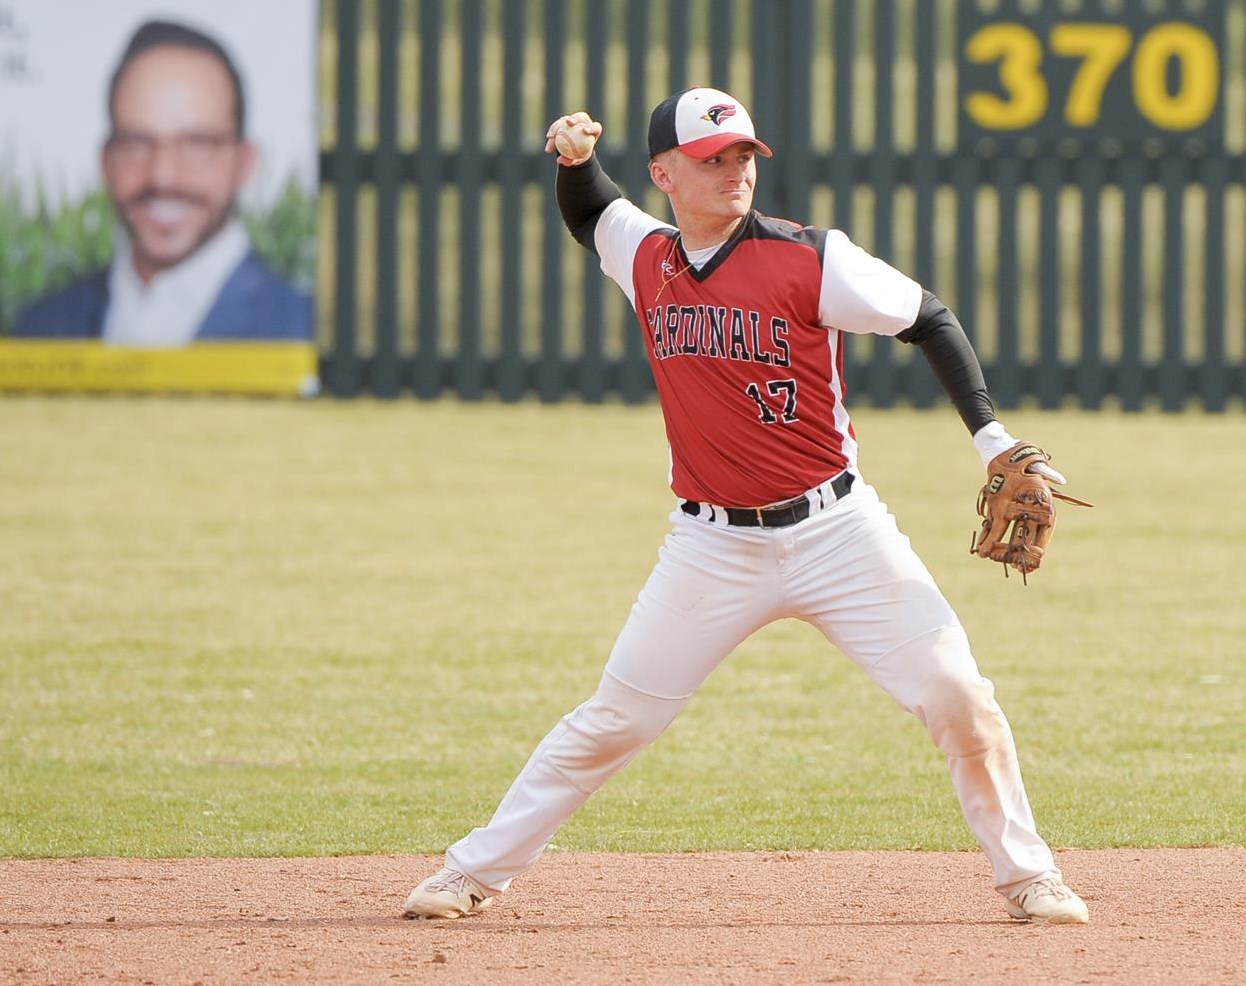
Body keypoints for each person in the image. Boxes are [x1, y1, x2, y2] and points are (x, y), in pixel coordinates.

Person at [403, 87, 1089, 925]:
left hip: (838, 530)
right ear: (664, 173)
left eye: (741, 157)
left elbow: (928, 318)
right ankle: (471, 873)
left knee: (956, 693)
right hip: (710, 547)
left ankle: (1029, 877)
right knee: (614, 720)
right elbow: (593, 218)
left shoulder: (810, 259)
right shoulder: (647, 256)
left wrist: (991, 439)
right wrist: (577, 163)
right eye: (709, 159)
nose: (732, 172)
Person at [10, 19, 310, 344]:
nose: (162, 175)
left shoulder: (302, 329)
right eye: (137, 143)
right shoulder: (41, 326)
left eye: (196, 144)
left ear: (245, 161)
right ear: (106, 161)